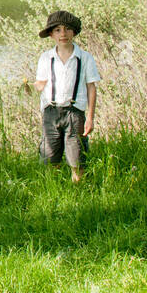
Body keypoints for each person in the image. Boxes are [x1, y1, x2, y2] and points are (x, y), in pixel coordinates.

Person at [34, 10, 100, 184]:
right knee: (50, 156)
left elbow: (91, 87)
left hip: (75, 112)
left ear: (74, 32)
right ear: (51, 34)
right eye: (57, 30)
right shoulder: (46, 58)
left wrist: (90, 118)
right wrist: (31, 87)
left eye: (67, 29)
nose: (63, 34)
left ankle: (78, 189)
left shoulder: (84, 58)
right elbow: (41, 83)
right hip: (51, 111)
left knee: (76, 156)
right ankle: (54, 191)